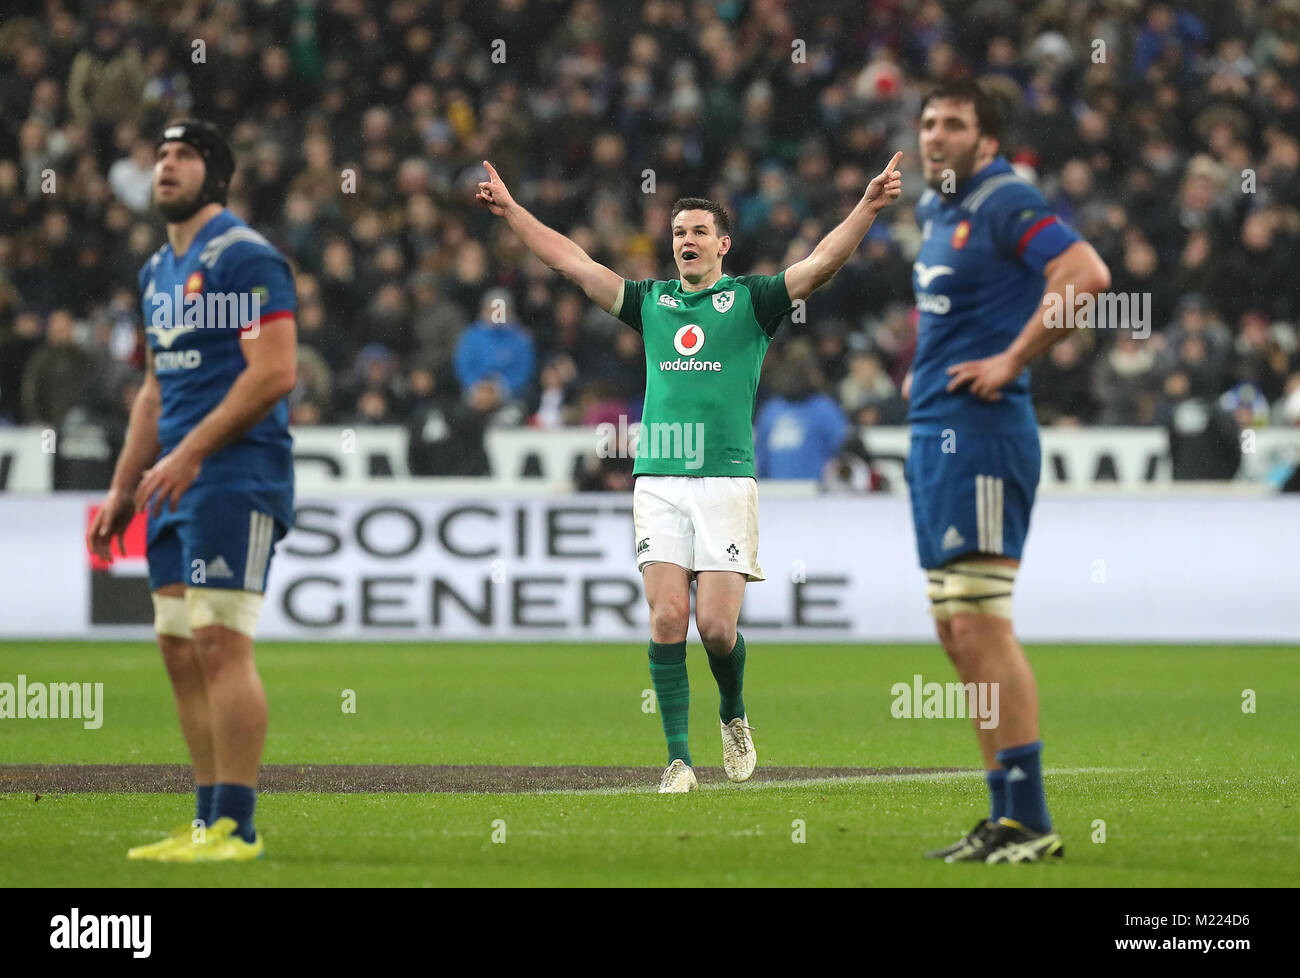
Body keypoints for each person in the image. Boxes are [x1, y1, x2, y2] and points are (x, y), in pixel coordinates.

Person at [476, 154, 902, 792]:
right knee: (667, 619)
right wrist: (513, 212)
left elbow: (819, 265)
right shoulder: (650, 302)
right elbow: (573, 263)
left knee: (717, 629)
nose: (687, 240)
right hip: (659, 479)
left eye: (700, 231)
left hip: (726, 480)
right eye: (679, 232)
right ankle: (679, 760)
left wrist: (866, 206)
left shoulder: (752, 300)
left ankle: (733, 713)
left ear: (723, 244)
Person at [905, 81, 1110, 862]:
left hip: (983, 436)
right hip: (935, 433)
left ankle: (1031, 820)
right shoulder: (937, 211)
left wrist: (1012, 359)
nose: (935, 136)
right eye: (928, 122)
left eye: (954, 124)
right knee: (955, 629)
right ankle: (1004, 818)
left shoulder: (1003, 200)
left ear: (986, 141)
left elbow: (1086, 274)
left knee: (982, 621)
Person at [86, 120, 298, 862]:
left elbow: (274, 372)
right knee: (178, 647)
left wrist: (191, 453)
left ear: (217, 173)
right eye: (161, 155)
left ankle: (238, 826)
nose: (166, 165)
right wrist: (123, 488)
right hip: (172, 480)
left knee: (218, 640)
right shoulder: (156, 272)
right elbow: (153, 390)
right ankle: (207, 820)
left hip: (235, 473)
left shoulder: (244, 257)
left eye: (184, 155)